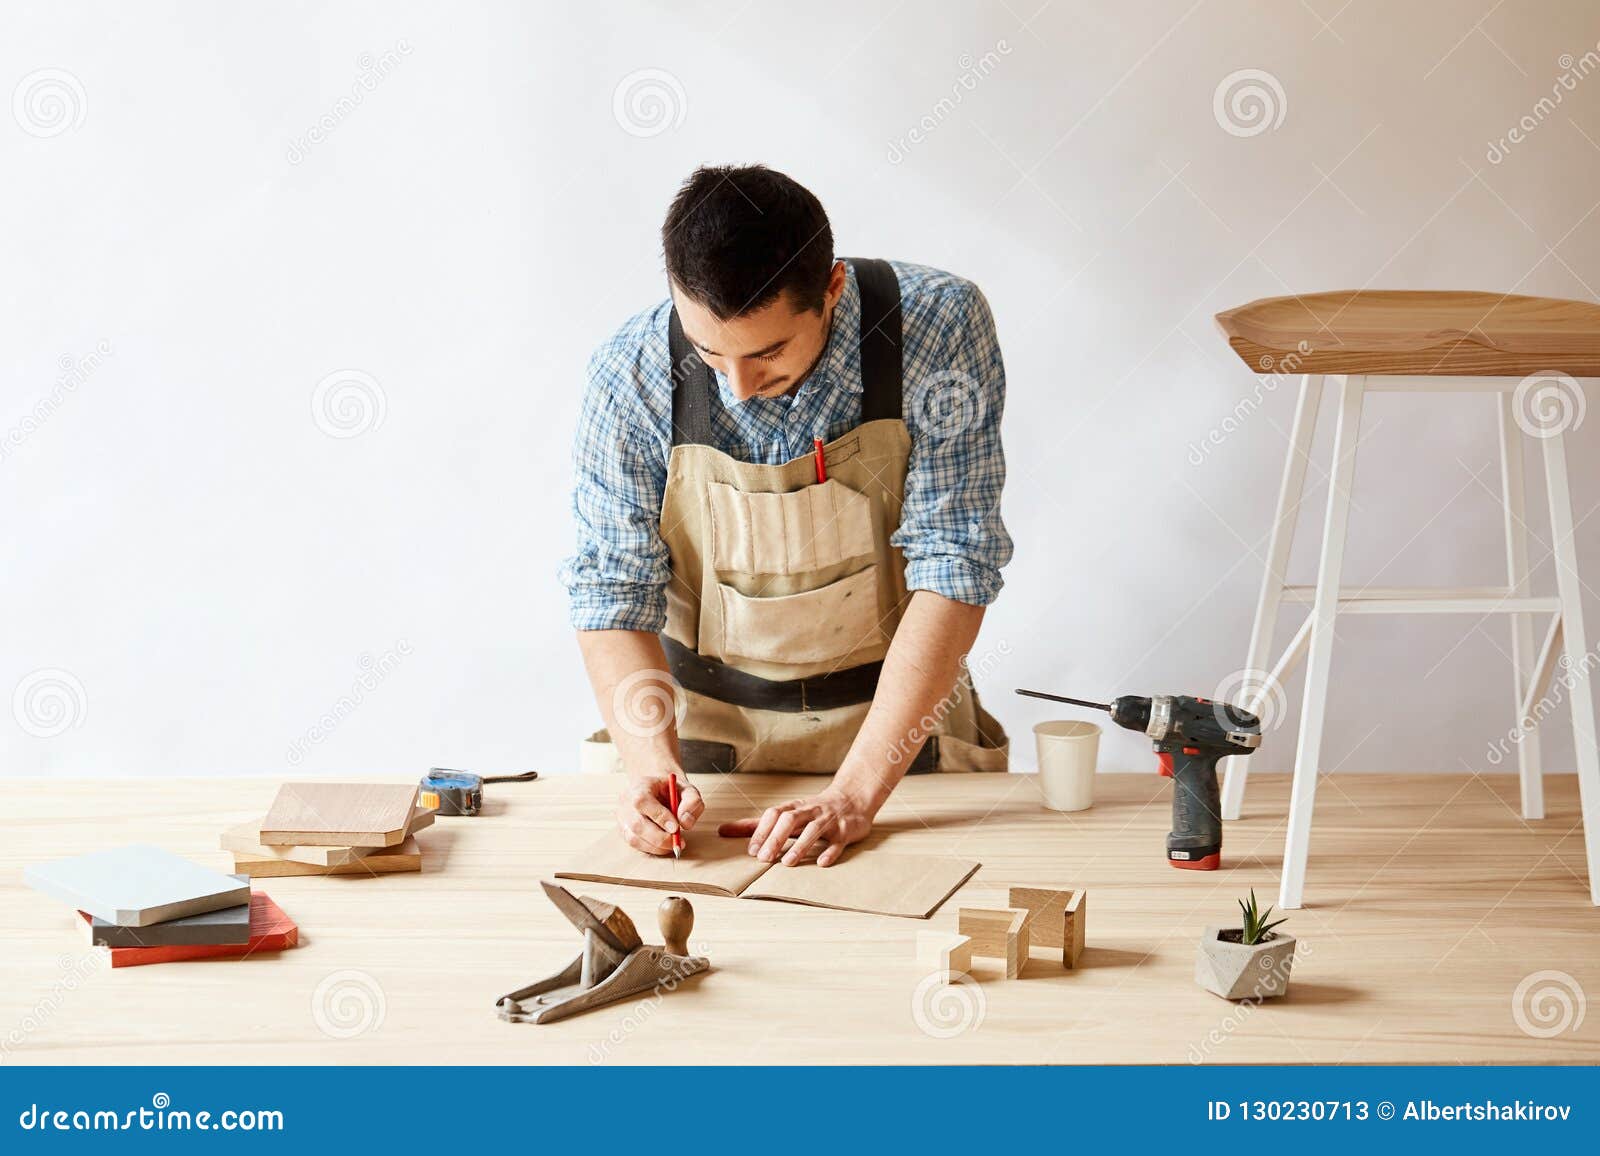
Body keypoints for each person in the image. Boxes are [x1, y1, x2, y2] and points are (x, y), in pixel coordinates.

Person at [561, 164, 1011, 867]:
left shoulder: (938, 324)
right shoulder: (632, 370)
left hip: (899, 743)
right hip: (707, 739)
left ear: (831, 289)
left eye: (768, 351)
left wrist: (856, 794)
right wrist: (651, 764)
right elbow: (611, 592)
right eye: (711, 352)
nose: (738, 388)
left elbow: (957, 561)